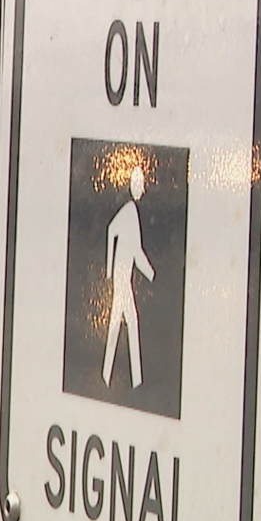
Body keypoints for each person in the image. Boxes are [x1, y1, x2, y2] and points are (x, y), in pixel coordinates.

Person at [102, 164, 155, 387]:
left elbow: (135, 250)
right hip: (122, 278)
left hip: (123, 276)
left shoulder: (132, 212)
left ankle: (109, 376)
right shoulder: (129, 211)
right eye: (140, 184)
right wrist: (109, 268)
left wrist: (148, 272)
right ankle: (136, 381)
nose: (142, 188)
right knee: (129, 322)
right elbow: (111, 230)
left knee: (119, 323)